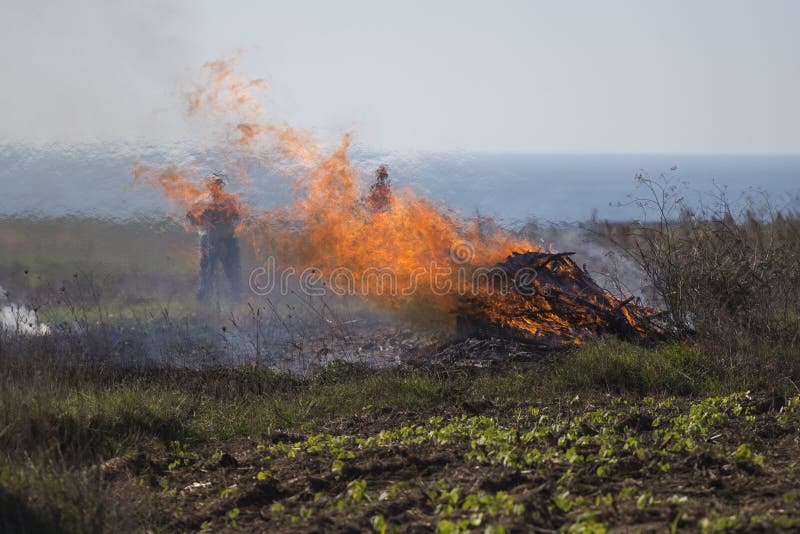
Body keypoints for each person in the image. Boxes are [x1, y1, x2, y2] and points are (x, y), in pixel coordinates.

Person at [187, 175, 242, 302]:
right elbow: (191, 217)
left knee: (232, 271)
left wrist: (225, 224)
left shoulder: (229, 201)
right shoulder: (201, 201)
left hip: (227, 240)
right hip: (208, 240)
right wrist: (203, 220)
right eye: (212, 185)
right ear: (208, 187)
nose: (215, 187)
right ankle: (203, 301)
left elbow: (237, 217)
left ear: (221, 186)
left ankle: (237, 300)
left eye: (218, 184)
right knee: (207, 272)